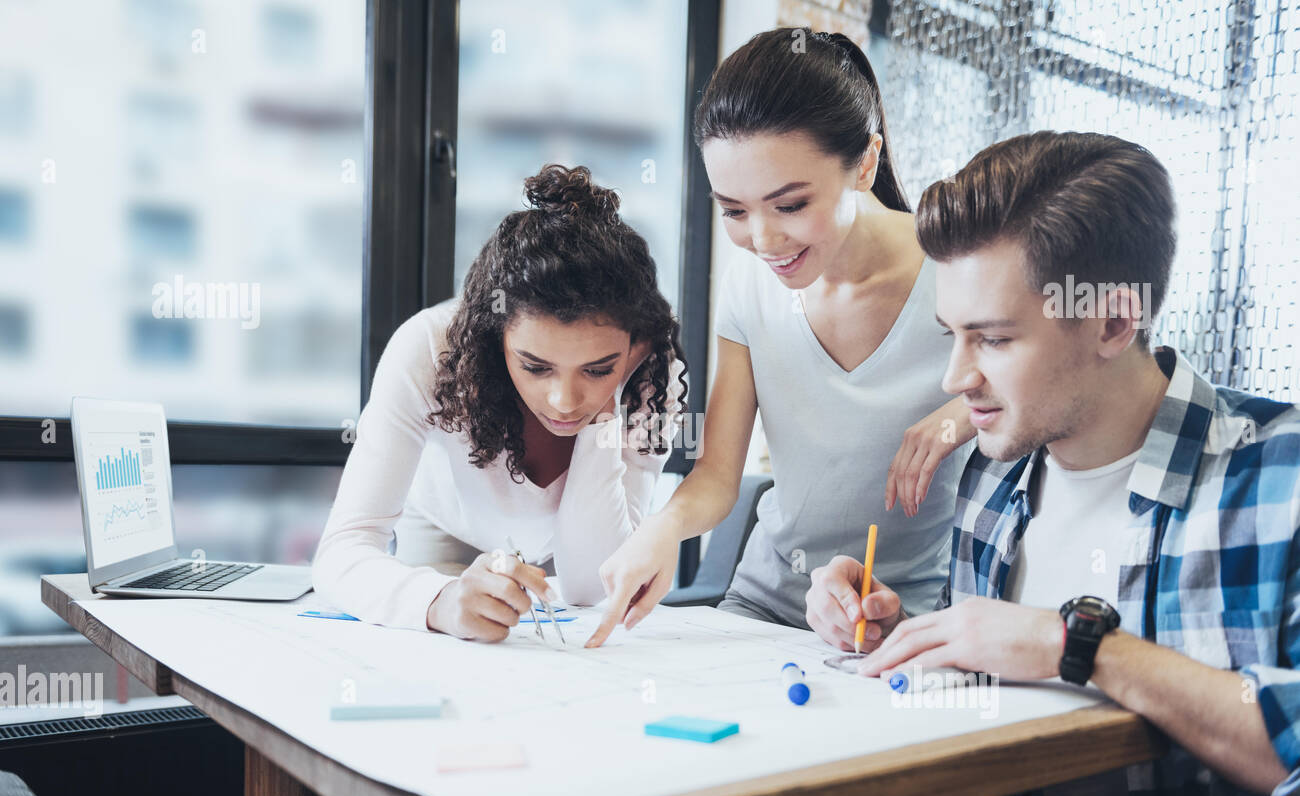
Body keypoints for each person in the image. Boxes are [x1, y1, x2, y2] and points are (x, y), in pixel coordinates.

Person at [806, 130, 1300, 796]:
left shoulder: (1276, 477)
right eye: (952, 335)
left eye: (993, 340)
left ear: (1113, 320)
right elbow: (1004, 683)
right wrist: (911, 636)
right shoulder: (991, 478)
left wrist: (1079, 648)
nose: (953, 377)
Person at [588, 28, 976, 649]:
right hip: (764, 604)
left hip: (908, 618)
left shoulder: (961, 269)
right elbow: (718, 473)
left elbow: (1051, 378)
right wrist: (661, 532)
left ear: (866, 163)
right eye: (735, 211)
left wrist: (960, 417)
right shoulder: (749, 288)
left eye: (790, 205)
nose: (764, 241)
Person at [312, 164, 688, 641]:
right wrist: (439, 601)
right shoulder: (428, 347)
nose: (565, 401)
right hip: (443, 524)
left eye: (597, 369)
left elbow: (589, 583)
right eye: (535, 366)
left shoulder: (651, 377)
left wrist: (608, 411)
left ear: (634, 348)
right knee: (444, 648)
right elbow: (343, 550)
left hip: (565, 552)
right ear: (495, 337)